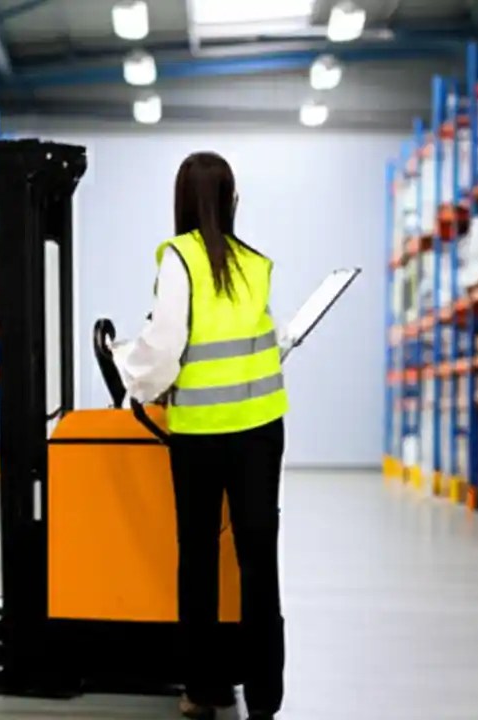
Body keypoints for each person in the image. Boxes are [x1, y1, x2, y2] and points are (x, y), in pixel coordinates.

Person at [113, 151, 288, 720]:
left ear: (182, 201)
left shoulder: (179, 259)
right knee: (259, 558)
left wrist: (134, 381)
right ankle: (265, 694)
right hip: (262, 430)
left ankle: (205, 688)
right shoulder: (256, 265)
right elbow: (271, 340)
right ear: (233, 201)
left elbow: (164, 348)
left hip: (200, 435)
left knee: (199, 556)